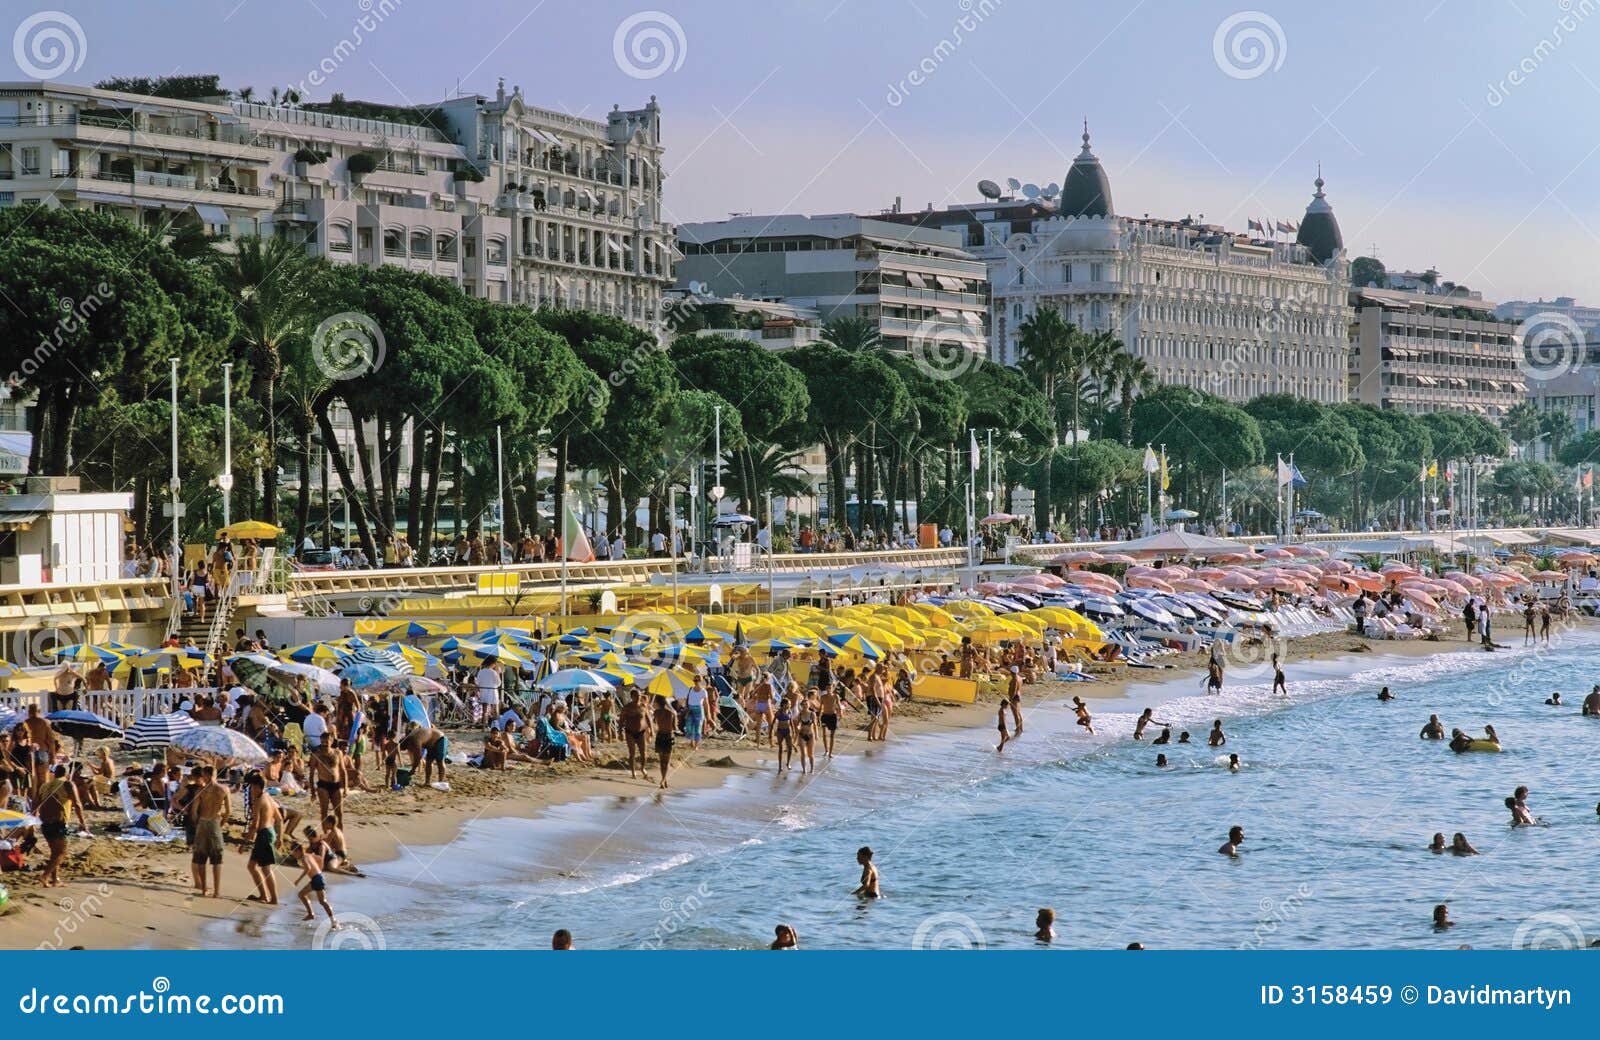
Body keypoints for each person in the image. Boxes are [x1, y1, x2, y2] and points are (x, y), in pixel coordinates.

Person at [33, 764, 87, 888]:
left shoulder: (45, 786)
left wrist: (33, 820)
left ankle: (55, 879)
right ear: (67, 774)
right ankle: (44, 876)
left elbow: (35, 804)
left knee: (54, 852)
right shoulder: (68, 784)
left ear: (54, 774)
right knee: (61, 852)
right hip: (58, 821)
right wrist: (83, 823)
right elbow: (77, 804)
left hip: (45, 822)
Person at [241, 773, 283, 905]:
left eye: (252, 788)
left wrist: (244, 843)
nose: (251, 791)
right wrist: (279, 837)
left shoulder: (259, 801)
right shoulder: (269, 797)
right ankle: (264, 895)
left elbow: (255, 825)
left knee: (265, 868)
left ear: (258, 787)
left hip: (264, 834)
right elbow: (279, 819)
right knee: (253, 866)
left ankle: (272, 898)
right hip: (269, 832)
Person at [190, 765, 229, 898]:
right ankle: (217, 891)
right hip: (215, 822)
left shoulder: (201, 791)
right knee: (217, 859)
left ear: (206, 775)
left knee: (201, 857)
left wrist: (197, 823)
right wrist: (222, 824)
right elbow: (228, 812)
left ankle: (204, 889)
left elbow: (194, 811)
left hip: (203, 822)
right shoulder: (224, 789)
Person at [291, 828, 338, 929]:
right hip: (317, 878)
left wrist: (298, 880)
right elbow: (320, 859)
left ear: (299, 851)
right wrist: (319, 868)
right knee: (302, 894)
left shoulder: (304, 858)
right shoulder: (309, 855)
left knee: (323, 901)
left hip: (318, 879)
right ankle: (311, 914)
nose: (294, 855)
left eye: (294, 852)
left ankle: (333, 920)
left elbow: (308, 868)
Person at [620, 691, 648, 780]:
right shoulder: (627, 707)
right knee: (632, 753)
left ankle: (643, 768)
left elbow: (648, 718)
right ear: (632, 696)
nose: (638, 697)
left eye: (639, 695)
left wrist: (651, 731)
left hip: (642, 732)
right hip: (630, 732)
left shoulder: (643, 706)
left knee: (643, 753)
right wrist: (620, 732)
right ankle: (633, 771)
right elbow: (621, 720)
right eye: (636, 696)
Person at [652, 696, 676, 790]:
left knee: (662, 761)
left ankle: (664, 779)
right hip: (668, 736)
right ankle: (663, 779)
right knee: (667, 761)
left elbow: (655, 723)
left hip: (660, 735)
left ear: (658, 703)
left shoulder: (656, 712)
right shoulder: (671, 713)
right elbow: (674, 727)